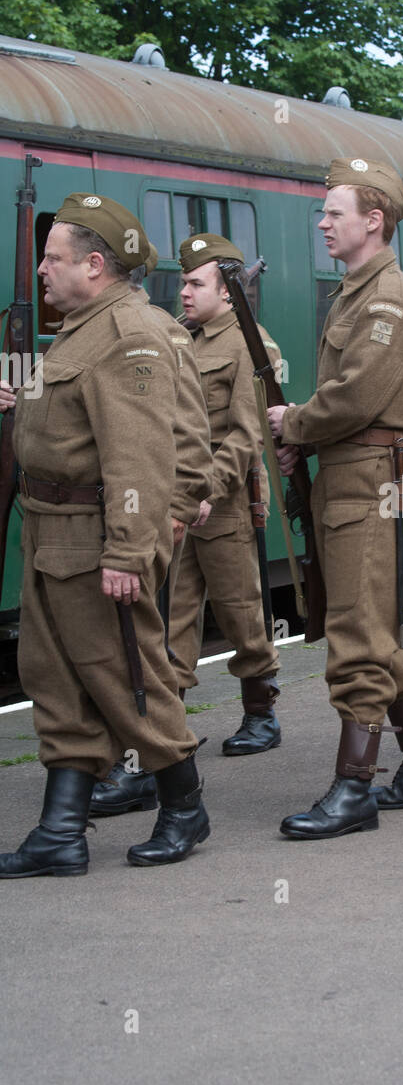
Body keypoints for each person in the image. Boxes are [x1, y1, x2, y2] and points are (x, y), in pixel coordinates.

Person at [0, 193, 208, 875]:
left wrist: (127, 551)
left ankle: (184, 808)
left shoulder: (128, 333)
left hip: (94, 539)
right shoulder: (84, 327)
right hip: (49, 535)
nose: (41, 272)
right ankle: (61, 833)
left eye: (53, 260)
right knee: (56, 682)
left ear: (94, 265)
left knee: (128, 679)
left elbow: (138, 453)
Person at [267, 157, 403, 839]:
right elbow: (349, 403)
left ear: (373, 221)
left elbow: (358, 396)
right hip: (350, 474)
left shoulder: (384, 299)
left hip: (368, 481)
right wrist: (308, 439)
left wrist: (296, 423)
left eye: (334, 213)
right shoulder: (356, 291)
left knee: (355, 631)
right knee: (376, 626)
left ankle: (354, 789)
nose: (322, 223)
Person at [88, 238, 214, 817]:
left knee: (143, 654)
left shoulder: (154, 332)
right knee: (106, 656)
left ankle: (167, 788)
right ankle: (108, 776)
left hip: (149, 519)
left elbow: (191, 431)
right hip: (106, 521)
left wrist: (180, 506)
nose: (185, 291)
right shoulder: (85, 332)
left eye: (196, 283)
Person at [167, 234, 283, 755]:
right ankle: (166, 728)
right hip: (176, 498)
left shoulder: (251, 345)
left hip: (223, 500)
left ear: (227, 290)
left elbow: (247, 432)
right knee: (173, 610)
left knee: (240, 610)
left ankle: (261, 713)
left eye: (196, 283)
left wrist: (208, 488)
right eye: (183, 282)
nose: (184, 292)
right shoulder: (180, 341)